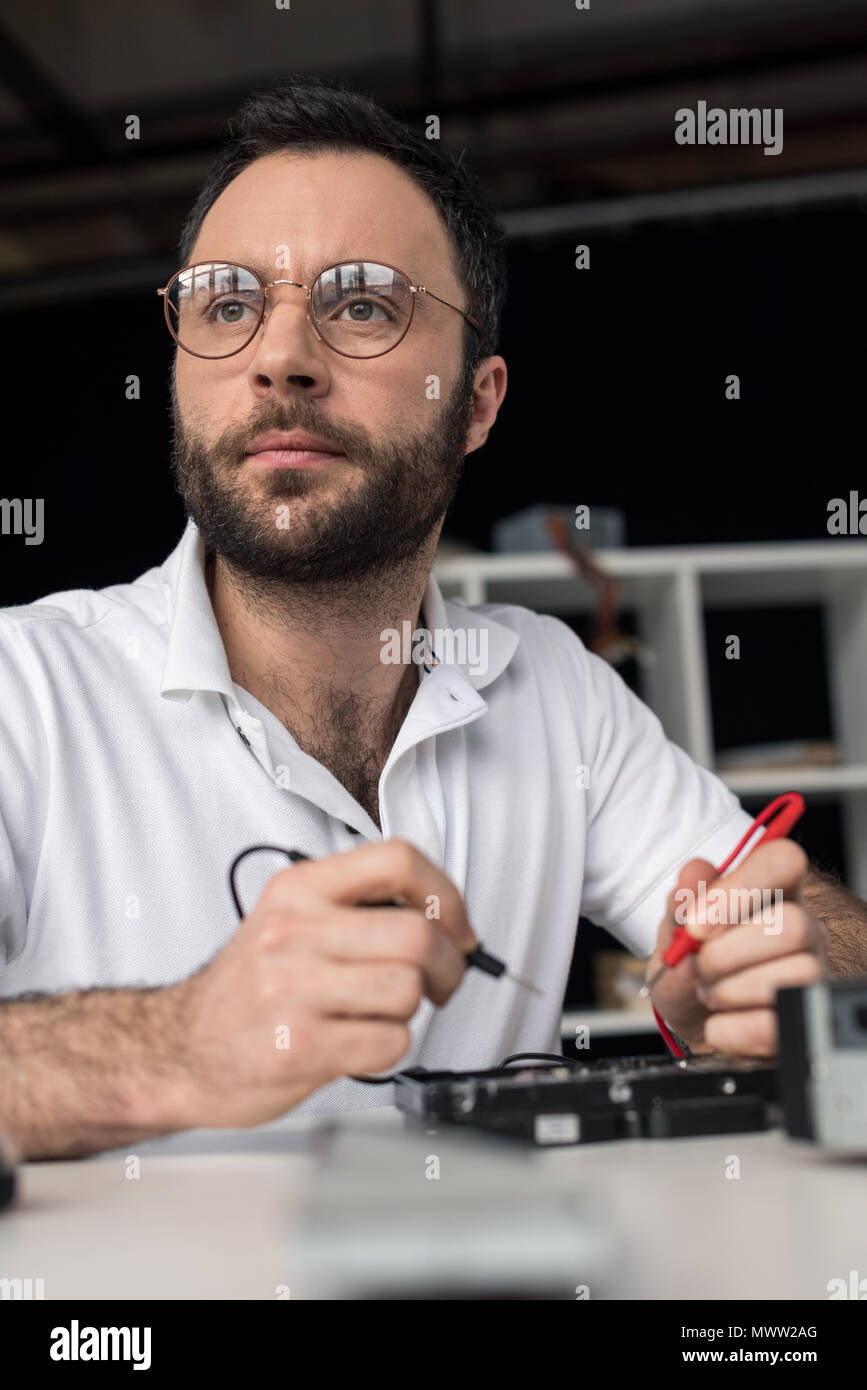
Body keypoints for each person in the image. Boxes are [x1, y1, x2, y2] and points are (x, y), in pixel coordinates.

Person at [0, 75, 863, 1161]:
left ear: (477, 402)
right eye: (226, 302)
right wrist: (178, 1043)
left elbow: (805, 931)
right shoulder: (23, 693)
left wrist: (790, 975)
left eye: (362, 303)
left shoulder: (556, 691)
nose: (279, 356)